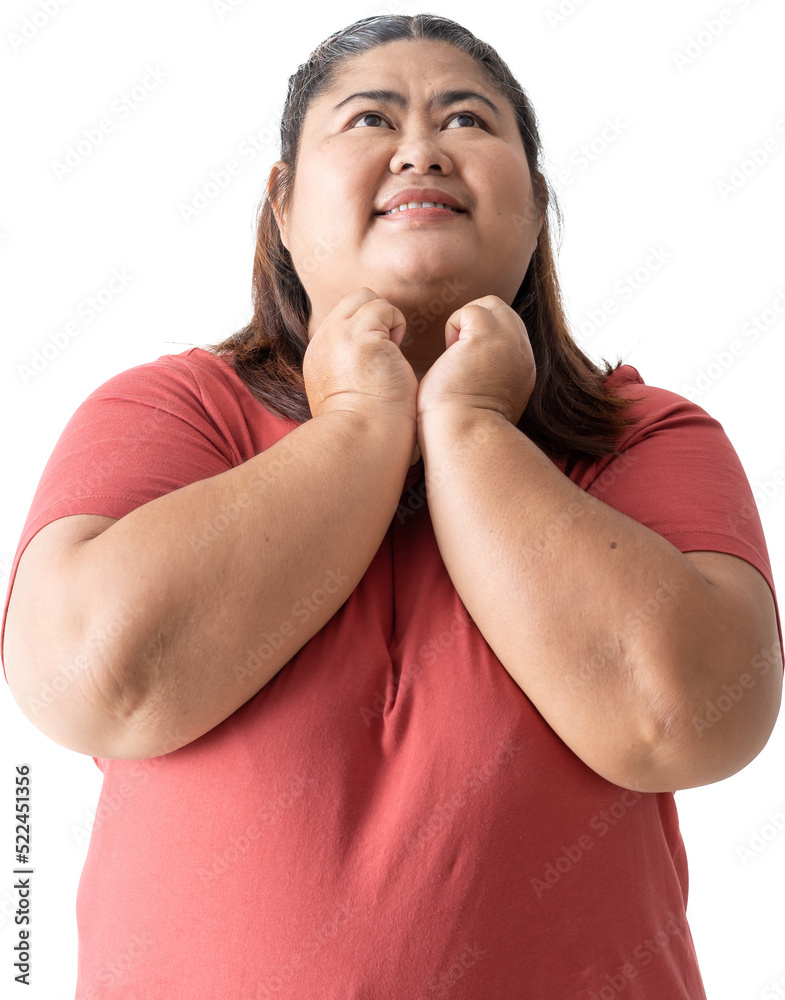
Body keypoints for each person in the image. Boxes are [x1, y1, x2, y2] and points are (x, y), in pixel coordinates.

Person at [2, 12, 782, 998]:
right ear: (282, 204)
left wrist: (468, 427)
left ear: (533, 206)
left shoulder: (642, 435)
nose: (420, 148)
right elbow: (91, 675)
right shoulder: (169, 412)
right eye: (369, 119)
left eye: (466, 120)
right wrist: (361, 421)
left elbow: (689, 715)